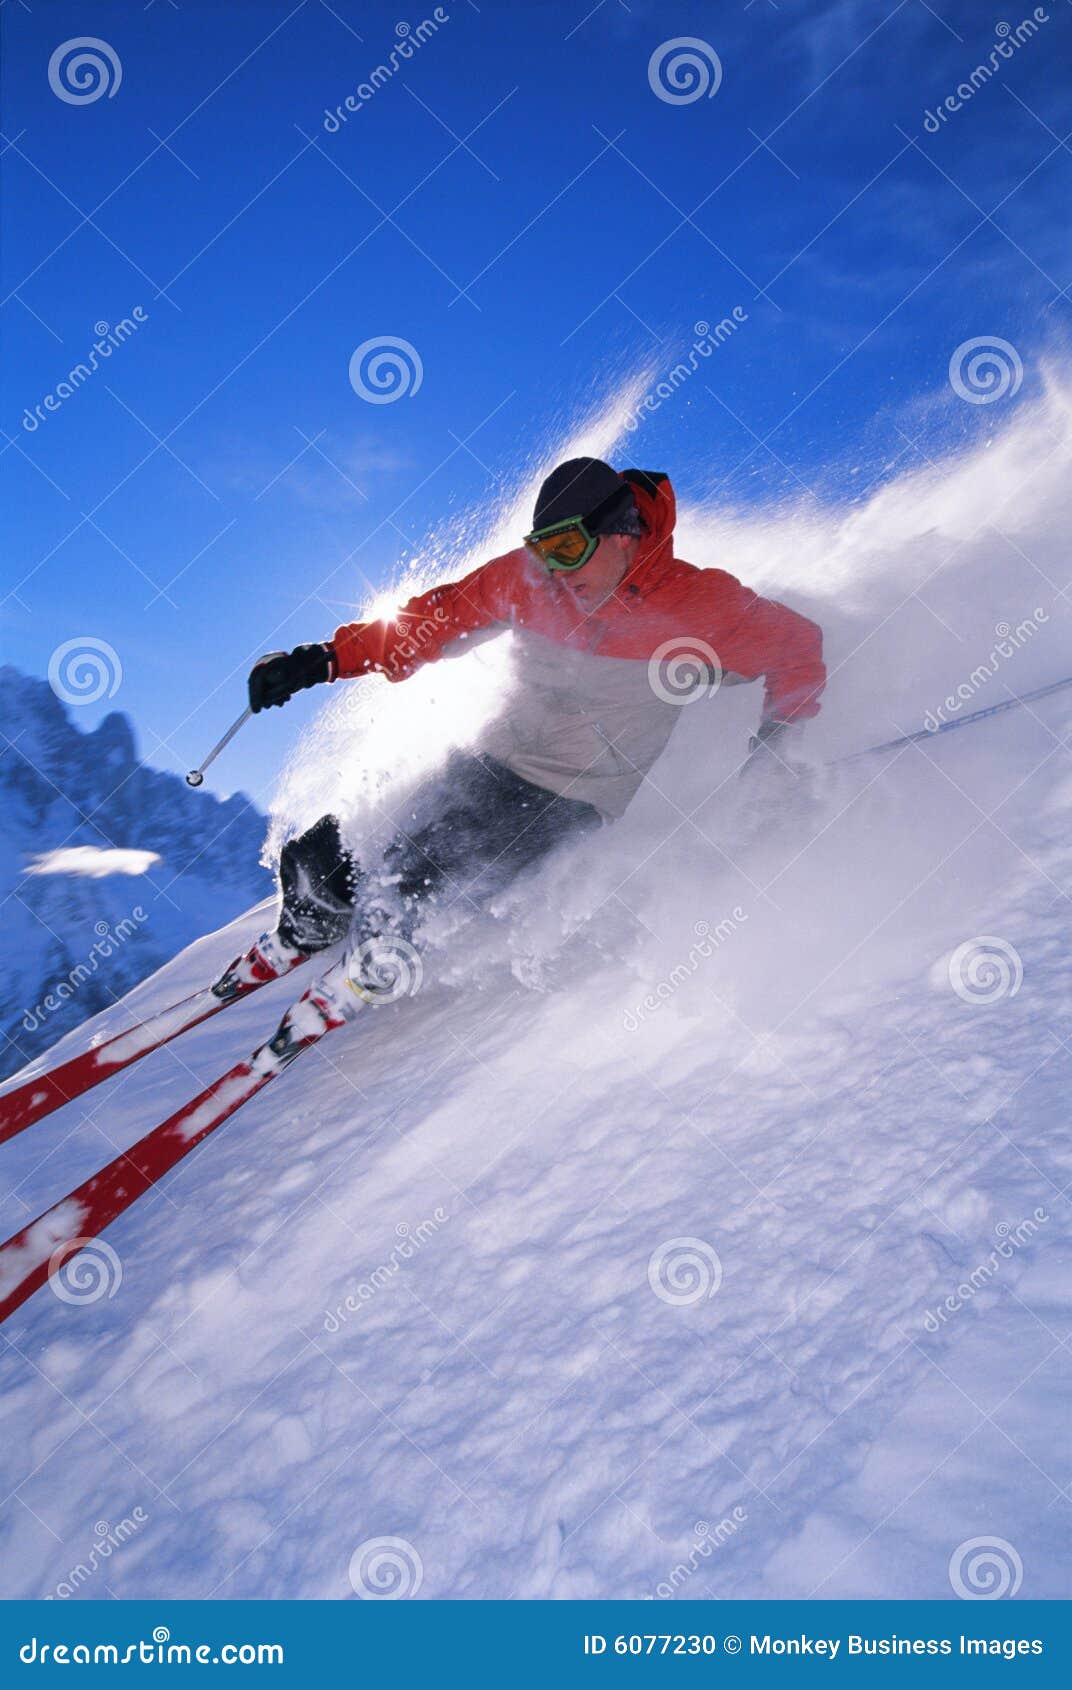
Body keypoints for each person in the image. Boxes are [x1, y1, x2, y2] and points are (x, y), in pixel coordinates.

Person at [217, 460, 825, 1003]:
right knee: (331, 853)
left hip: (566, 798)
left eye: (567, 548)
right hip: (485, 763)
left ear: (620, 532)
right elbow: (433, 620)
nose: (556, 570)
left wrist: (777, 745)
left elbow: (800, 648)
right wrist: (321, 660)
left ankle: (370, 972)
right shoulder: (528, 579)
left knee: (413, 880)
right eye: (544, 550)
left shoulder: (700, 606)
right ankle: (309, 923)